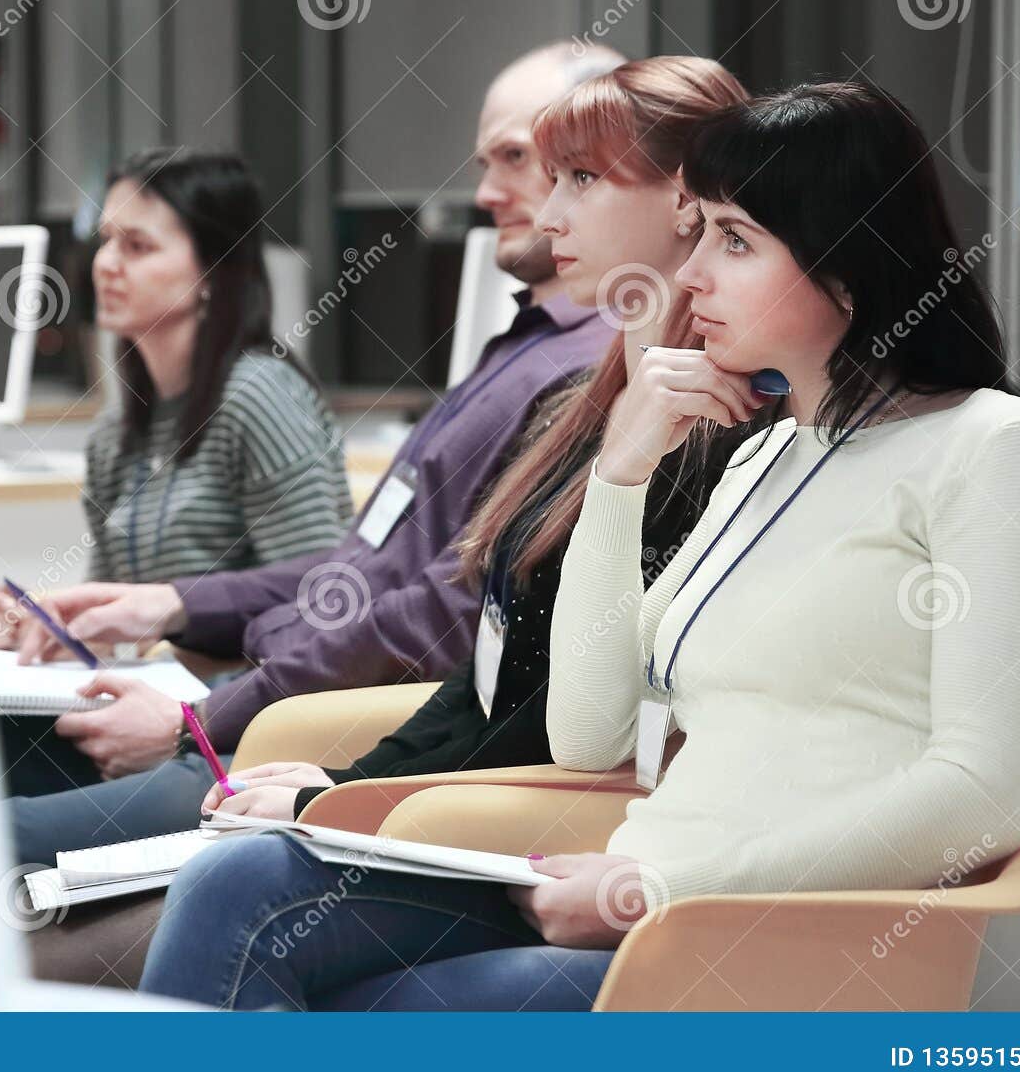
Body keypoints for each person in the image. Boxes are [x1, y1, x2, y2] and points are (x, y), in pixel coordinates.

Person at [137, 79, 1020, 1011]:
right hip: (645, 884)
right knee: (239, 883)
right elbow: (589, 731)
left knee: (375, 1006)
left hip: (779, 937)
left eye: (734, 240)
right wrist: (619, 472)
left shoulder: (996, 450)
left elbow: (981, 796)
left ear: (846, 265)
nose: (691, 276)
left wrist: (662, 883)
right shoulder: (767, 455)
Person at [2, 41, 624, 866]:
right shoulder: (517, 348)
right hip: (260, 690)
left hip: (294, 717)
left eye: (519, 158)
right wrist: (168, 605)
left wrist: (211, 709)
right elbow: (359, 564)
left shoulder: (580, 375)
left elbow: (447, 614)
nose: (484, 191)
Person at [216, 57, 751, 825]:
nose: (549, 215)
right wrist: (350, 782)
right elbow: (490, 675)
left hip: (520, 832)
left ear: (682, 199)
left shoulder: (713, 439)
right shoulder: (580, 408)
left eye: (581, 180)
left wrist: (344, 800)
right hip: (453, 808)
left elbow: (563, 730)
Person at [0, 149, 352, 615]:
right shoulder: (115, 429)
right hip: (152, 682)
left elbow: (323, 605)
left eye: (137, 246)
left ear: (212, 270)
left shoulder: (257, 398)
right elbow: (110, 608)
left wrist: (183, 648)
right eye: (106, 240)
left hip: (246, 686)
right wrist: (43, 621)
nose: (105, 264)